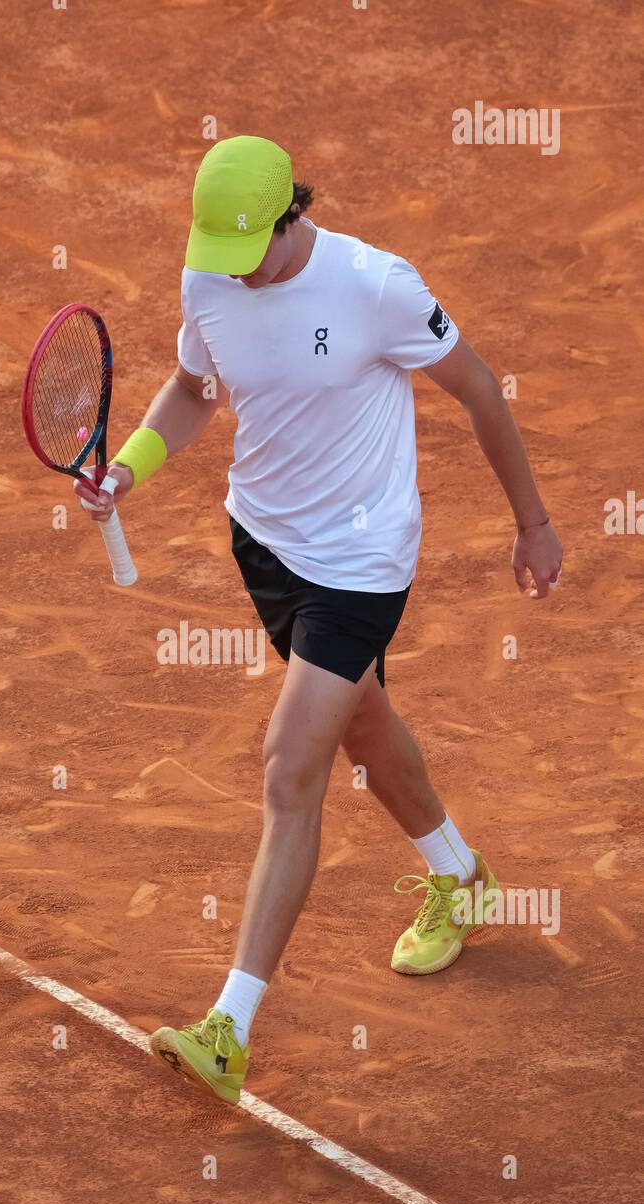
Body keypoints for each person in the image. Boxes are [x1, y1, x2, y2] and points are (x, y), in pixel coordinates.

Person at [74, 135, 563, 1105]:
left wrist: (534, 522)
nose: (225, 269)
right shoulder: (211, 274)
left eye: (242, 248)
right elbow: (192, 387)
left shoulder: (374, 287)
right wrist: (130, 464)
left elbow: (478, 387)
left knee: (289, 762)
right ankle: (460, 878)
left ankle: (228, 1030)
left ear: (288, 218)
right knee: (365, 727)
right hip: (263, 546)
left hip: (360, 562)